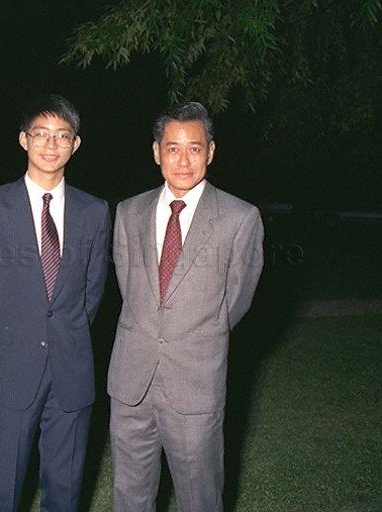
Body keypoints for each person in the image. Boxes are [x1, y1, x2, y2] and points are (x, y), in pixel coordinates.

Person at [108, 101, 264, 512]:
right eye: (172, 148)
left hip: (195, 384)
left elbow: (235, 302)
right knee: (130, 496)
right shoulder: (128, 212)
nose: (182, 160)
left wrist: (194, 334)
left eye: (194, 148)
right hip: (131, 383)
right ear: (156, 151)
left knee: (200, 498)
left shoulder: (240, 218)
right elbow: (131, 288)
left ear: (210, 151)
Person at [0, 94, 111, 511]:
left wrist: (65, 333)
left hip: (71, 368)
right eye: (41, 134)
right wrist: (11, 338)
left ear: (75, 144)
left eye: (62, 136)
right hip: (12, 367)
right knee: (3, 485)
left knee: (65, 488)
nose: (51, 144)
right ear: (23, 139)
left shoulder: (95, 211)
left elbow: (93, 291)